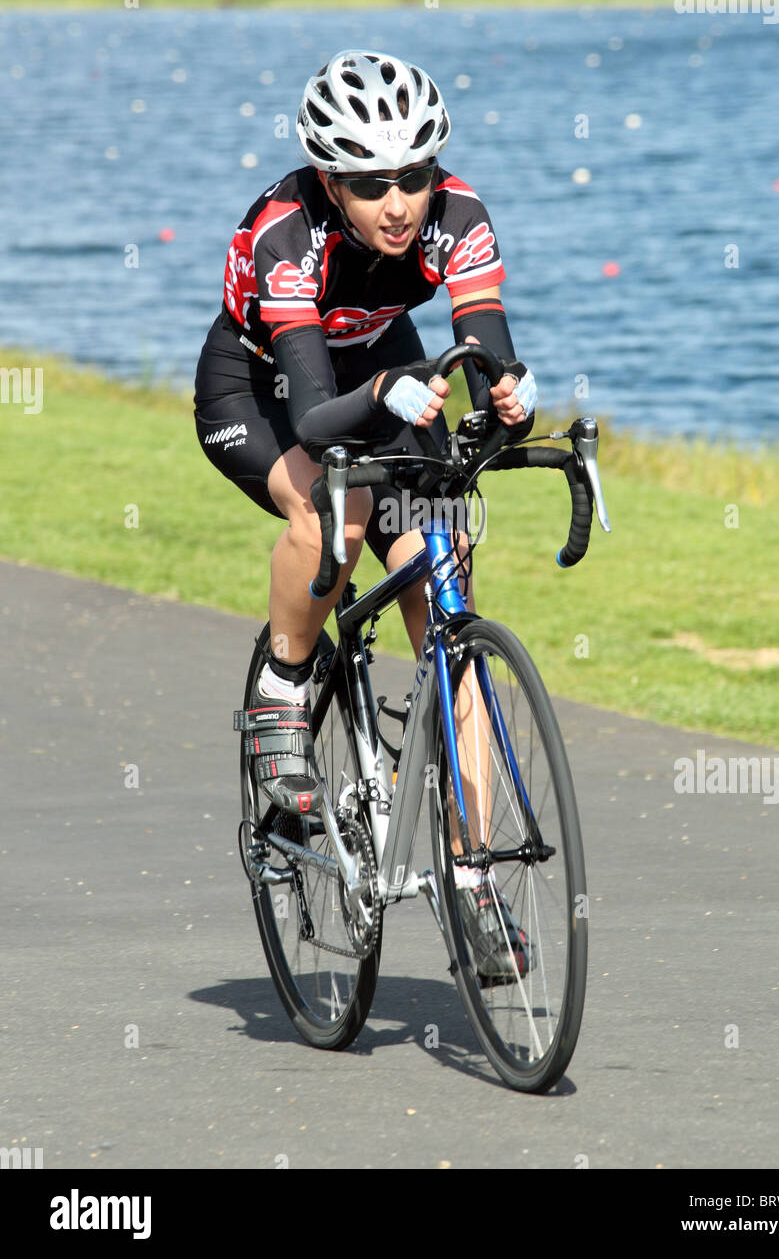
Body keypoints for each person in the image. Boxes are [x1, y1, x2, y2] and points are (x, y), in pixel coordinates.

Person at [194, 49, 538, 979]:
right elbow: (313, 414)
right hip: (264, 387)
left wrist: (509, 393)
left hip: (387, 360)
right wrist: (385, 386)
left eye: (415, 177)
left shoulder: (456, 214)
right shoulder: (283, 232)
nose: (399, 202)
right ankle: (283, 690)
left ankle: (473, 882)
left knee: (445, 594)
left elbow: (483, 335)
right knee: (332, 515)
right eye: (371, 183)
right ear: (329, 181)